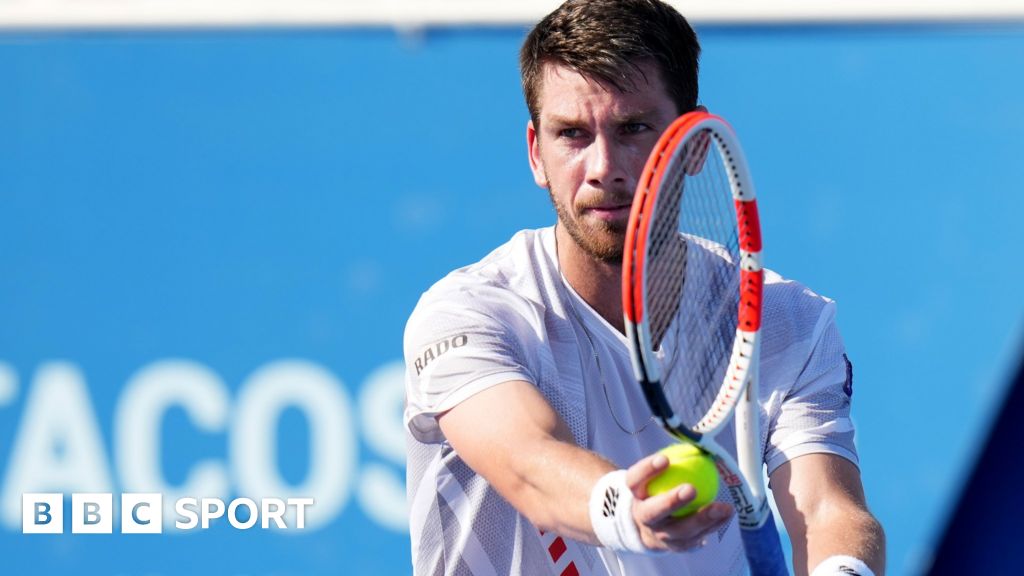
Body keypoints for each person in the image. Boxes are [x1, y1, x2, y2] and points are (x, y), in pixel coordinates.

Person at [403, 1, 886, 574]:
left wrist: (842, 570)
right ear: (537, 152)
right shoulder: (469, 314)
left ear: (695, 144)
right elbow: (529, 461)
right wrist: (623, 511)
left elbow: (829, 508)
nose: (604, 166)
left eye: (633, 128)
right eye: (572, 134)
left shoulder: (787, 323)